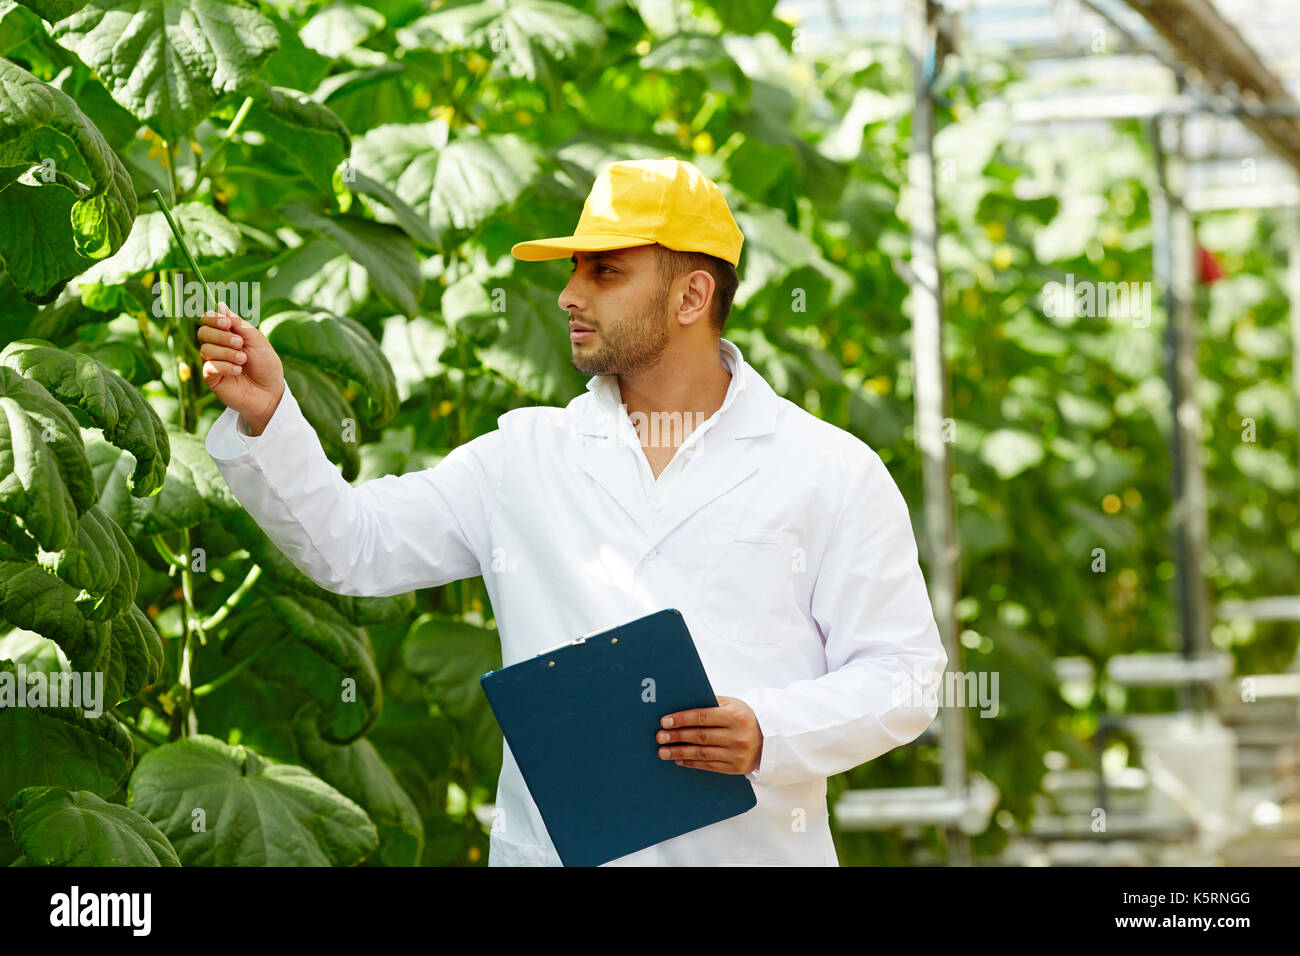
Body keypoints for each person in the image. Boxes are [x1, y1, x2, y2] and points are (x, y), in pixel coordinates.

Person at [201, 157, 947, 866]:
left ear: (692, 297)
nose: (569, 295)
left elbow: (905, 674)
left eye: (606, 270)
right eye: (574, 268)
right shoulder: (523, 456)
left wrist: (769, 733)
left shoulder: (829, 469)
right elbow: (353, 547)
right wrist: (273, 421)